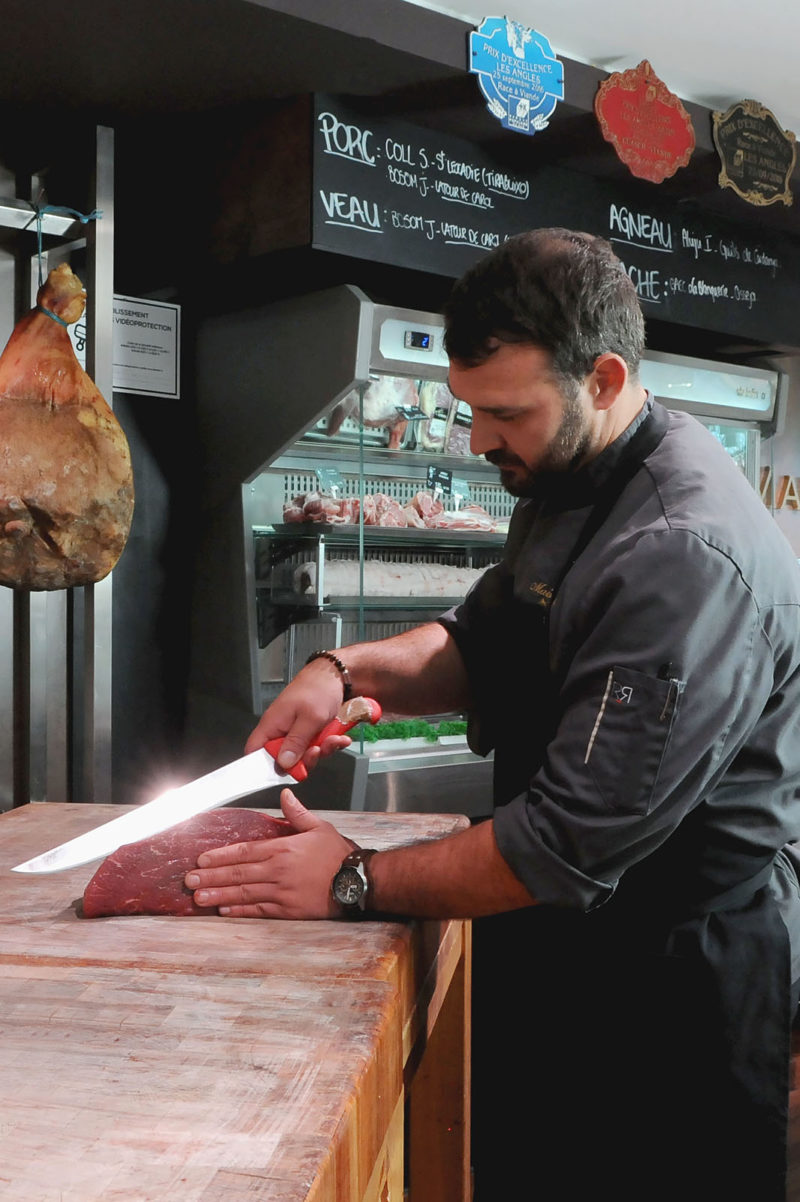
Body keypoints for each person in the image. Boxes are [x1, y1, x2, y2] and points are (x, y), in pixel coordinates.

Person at [186, 229, 800, 1200]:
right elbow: (482, 640)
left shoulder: (680, 551)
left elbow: (563, 845)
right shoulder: (570, 475)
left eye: (504, 412)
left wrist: (349, 879)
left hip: (673, 983)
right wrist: (340, 670)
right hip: (565, 945)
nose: (477, 440)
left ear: (603, 378)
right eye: (470, 408)